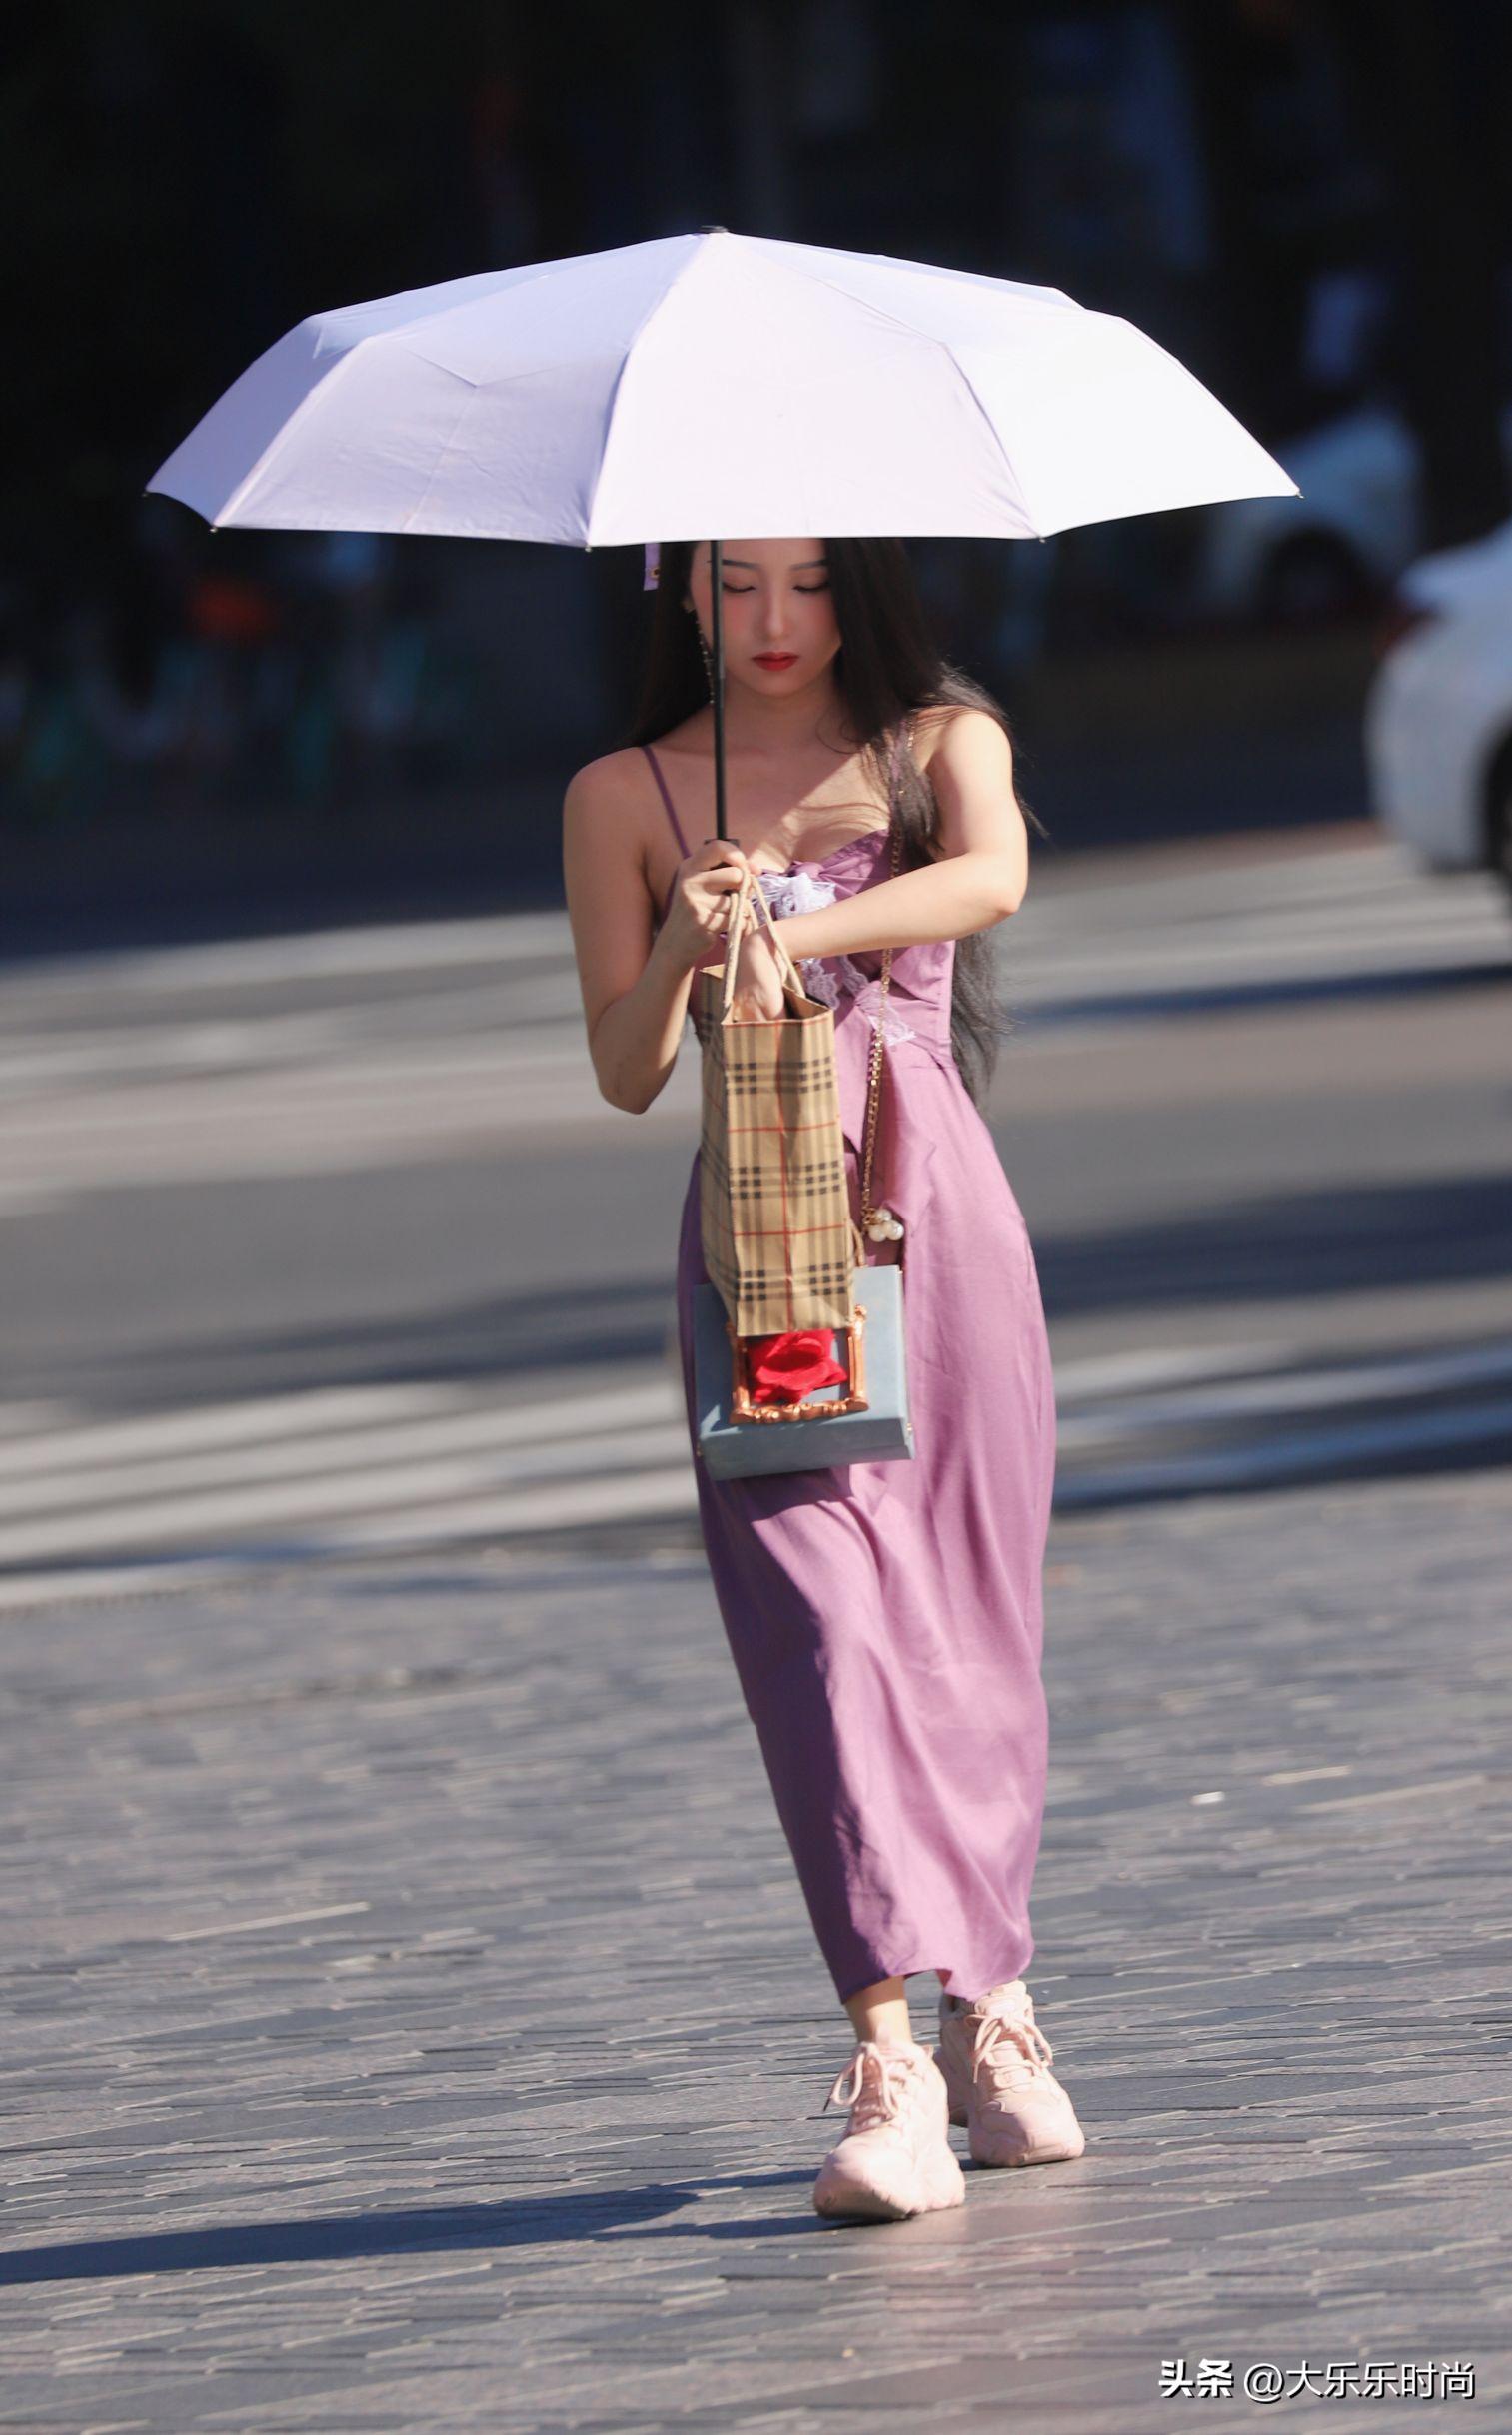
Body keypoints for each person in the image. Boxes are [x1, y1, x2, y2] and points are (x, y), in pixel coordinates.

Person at [562, 536, 1085, 2224]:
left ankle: (992, 2011)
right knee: (819, 1629)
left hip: (941, 1231)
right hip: (767, 1247)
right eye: (732, 585)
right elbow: (626, 1069)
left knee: (967, 1617)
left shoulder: (941, 744)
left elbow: (988, 880)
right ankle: (888, 2062)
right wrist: (690, 947)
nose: (773, 623)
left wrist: (809, 913)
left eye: (805, 582)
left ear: (857, 586)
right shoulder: (623, 792)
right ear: (679, 595)